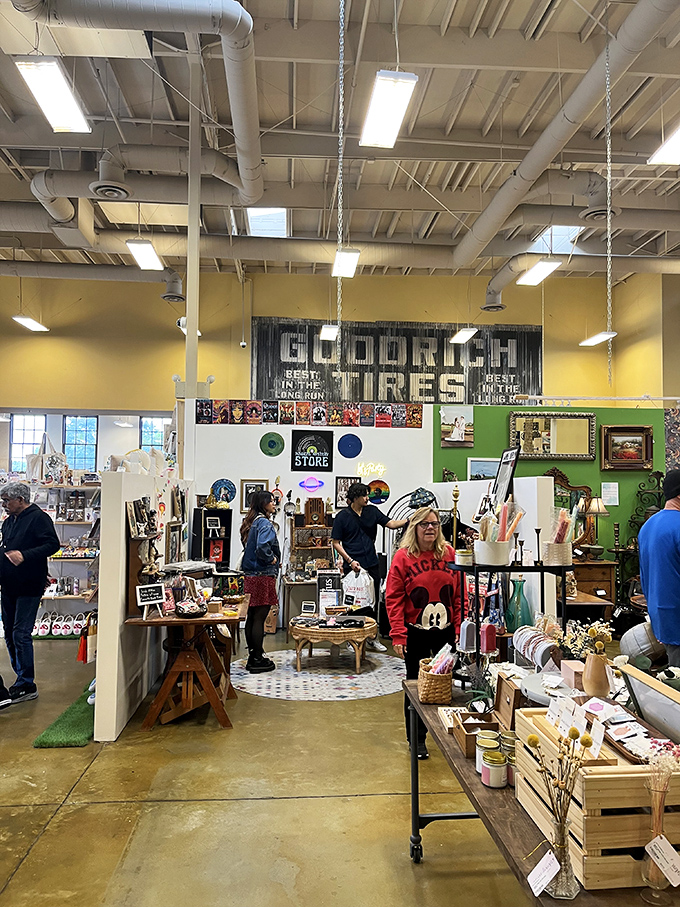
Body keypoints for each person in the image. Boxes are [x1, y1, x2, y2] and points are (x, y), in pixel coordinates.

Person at [385, 506, 464, 760]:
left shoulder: (449, 553)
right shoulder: (403, 557)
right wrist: (398, 634)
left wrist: (460, 627)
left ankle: (446, 733)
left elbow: (460, 594)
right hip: (415, 633)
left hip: (446, 633)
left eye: (434, 524)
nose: (430, 528)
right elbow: (394, 598)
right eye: (424, 524)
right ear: (414, 528)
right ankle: (417, 739)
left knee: (445, 686)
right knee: (416, 686)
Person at [0, 482, 60, 703]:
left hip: (29, 585)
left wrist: (25, 555)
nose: (4, 505)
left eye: (7, 501)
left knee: (20, 633)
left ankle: (27, 683)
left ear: (21, 500)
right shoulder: (9, 522)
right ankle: (20, 677)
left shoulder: (39, 518)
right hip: (8, 586)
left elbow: (52, 545)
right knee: (9, 632)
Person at [331, 482, 408, 649]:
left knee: (373, 602)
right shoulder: (342, 517)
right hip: (353, 566)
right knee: (353, 603)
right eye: (364, 495)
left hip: (372, 562)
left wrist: (410, 520)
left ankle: (373, 638)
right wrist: (349, 560)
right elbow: (336, 542)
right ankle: (352, 639)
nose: (367, 498)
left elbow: (391, 524)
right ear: (355, 498)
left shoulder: (372, 511)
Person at [639, 469, 680, 667]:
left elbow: (644, 573)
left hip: (660, 614)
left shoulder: (647, 526)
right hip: (677, 612)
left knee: (674, 674)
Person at [240, 490, 280, 674]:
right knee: (260, 617)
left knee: (252, 616)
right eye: (271, 501)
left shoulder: (252, 521)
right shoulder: (264, 523)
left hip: (250, 575)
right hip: (262, 575)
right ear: (263, 504)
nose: (274, 503)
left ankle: (253, 655)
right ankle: (257, 658)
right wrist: (272, 559)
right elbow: (262, 547)